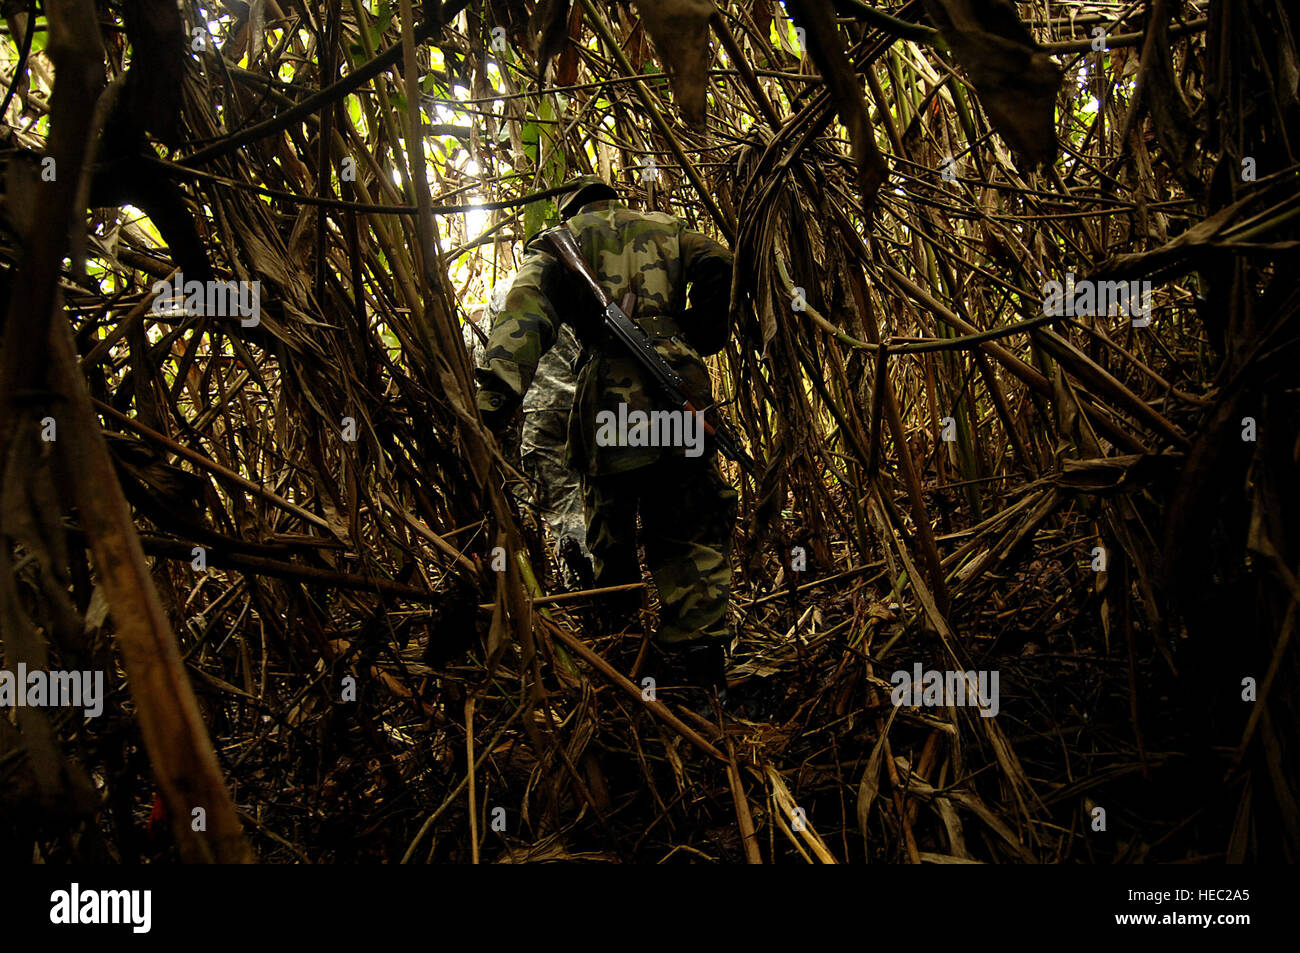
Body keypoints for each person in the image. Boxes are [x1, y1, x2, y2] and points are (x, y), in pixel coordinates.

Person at [475, 174, 738, 691]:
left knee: (610, 539)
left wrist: (493, 399)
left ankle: (624, 663)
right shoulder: (667, 227)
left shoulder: (563, 241)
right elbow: (722, 263)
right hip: (679, 398)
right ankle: (703, 676)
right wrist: (694, 333)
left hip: (609, 407)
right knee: (688, 532)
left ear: (566, 206)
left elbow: (523, 315)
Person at [464, 280, 594, 591]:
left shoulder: (507, 291)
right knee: (593, 496)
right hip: (590, 402)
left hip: (541, 410)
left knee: (562, 501)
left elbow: (487, 361)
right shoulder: (583, 281)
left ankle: (584, 588)